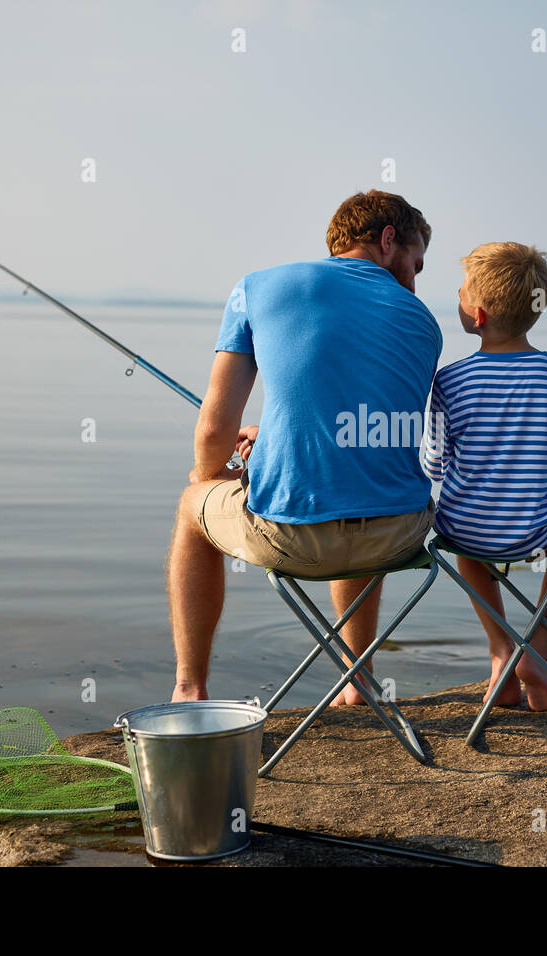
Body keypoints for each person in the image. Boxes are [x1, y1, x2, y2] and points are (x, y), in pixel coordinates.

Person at [167, 190, 442, 704]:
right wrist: (275, 440)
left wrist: (209, 475)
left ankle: (190, 689)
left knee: (191, 507)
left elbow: (213, 432)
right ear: (388, 241)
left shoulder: (256, 287)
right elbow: (363, 431)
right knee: (364, 484)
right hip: (399, 537)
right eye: (416, 264)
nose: (413, 282)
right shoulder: (425, 322)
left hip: (292, 540)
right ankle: (358, 678)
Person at [420, 242, 547, 712]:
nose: (456, 297)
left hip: (464, 532)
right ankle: (535, 651)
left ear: (477, 315)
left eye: (460, 292)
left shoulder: (449, 380)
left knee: (464, 532)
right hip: (537, 531)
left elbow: (434, 466)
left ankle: (500, 649)